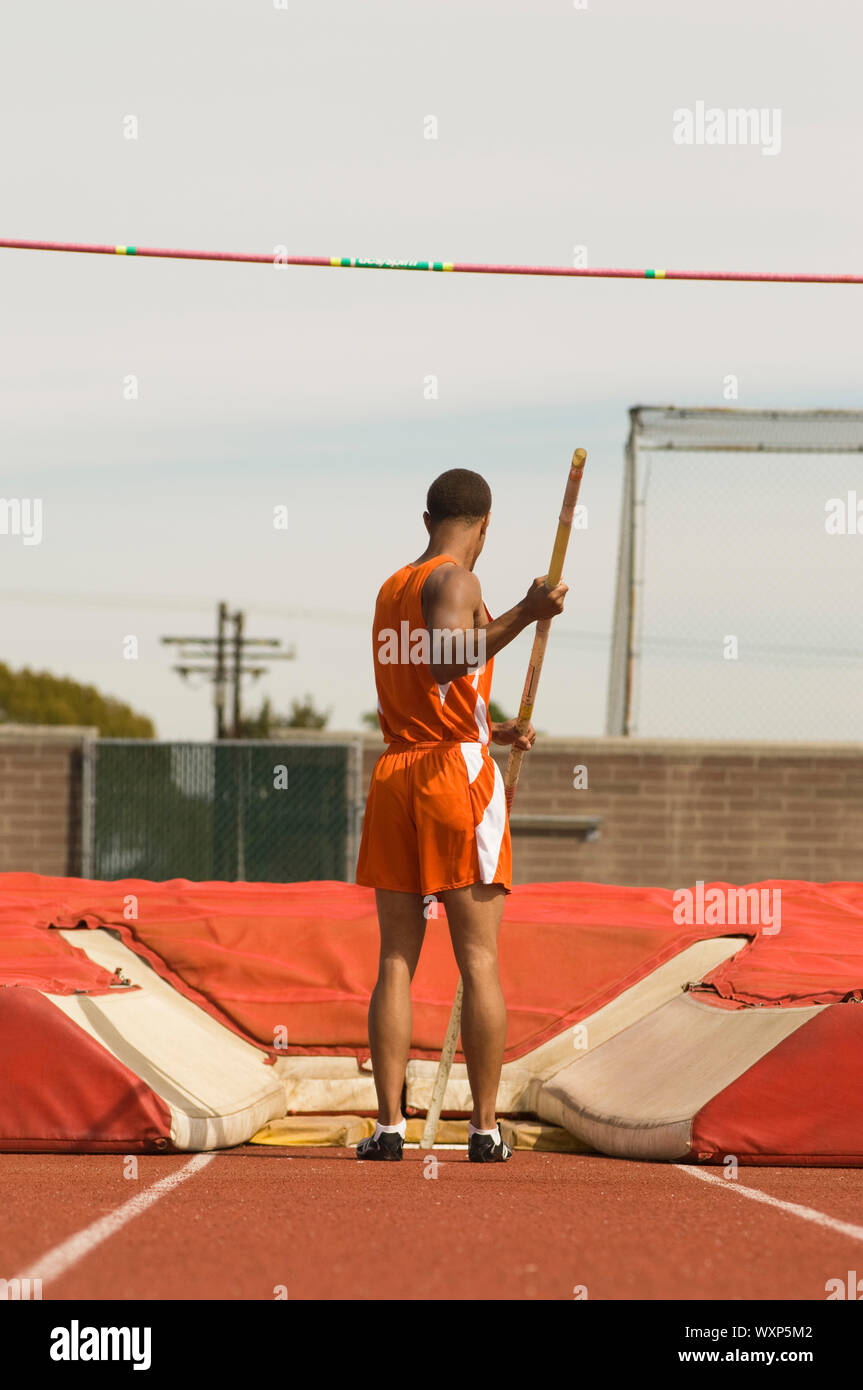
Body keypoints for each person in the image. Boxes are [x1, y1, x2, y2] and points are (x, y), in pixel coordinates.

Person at [355, 468, 568, 1162]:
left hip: (397, 771)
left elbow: (428, 685)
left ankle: (388, 1126)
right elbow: (448, 660)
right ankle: (482, 1129)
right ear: (485, 525)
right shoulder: (455, 582)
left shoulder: (392, 589)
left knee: (394, 957)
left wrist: (489, 729)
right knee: (478, 958)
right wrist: (525, 613)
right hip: (451, 778)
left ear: (425, 519)